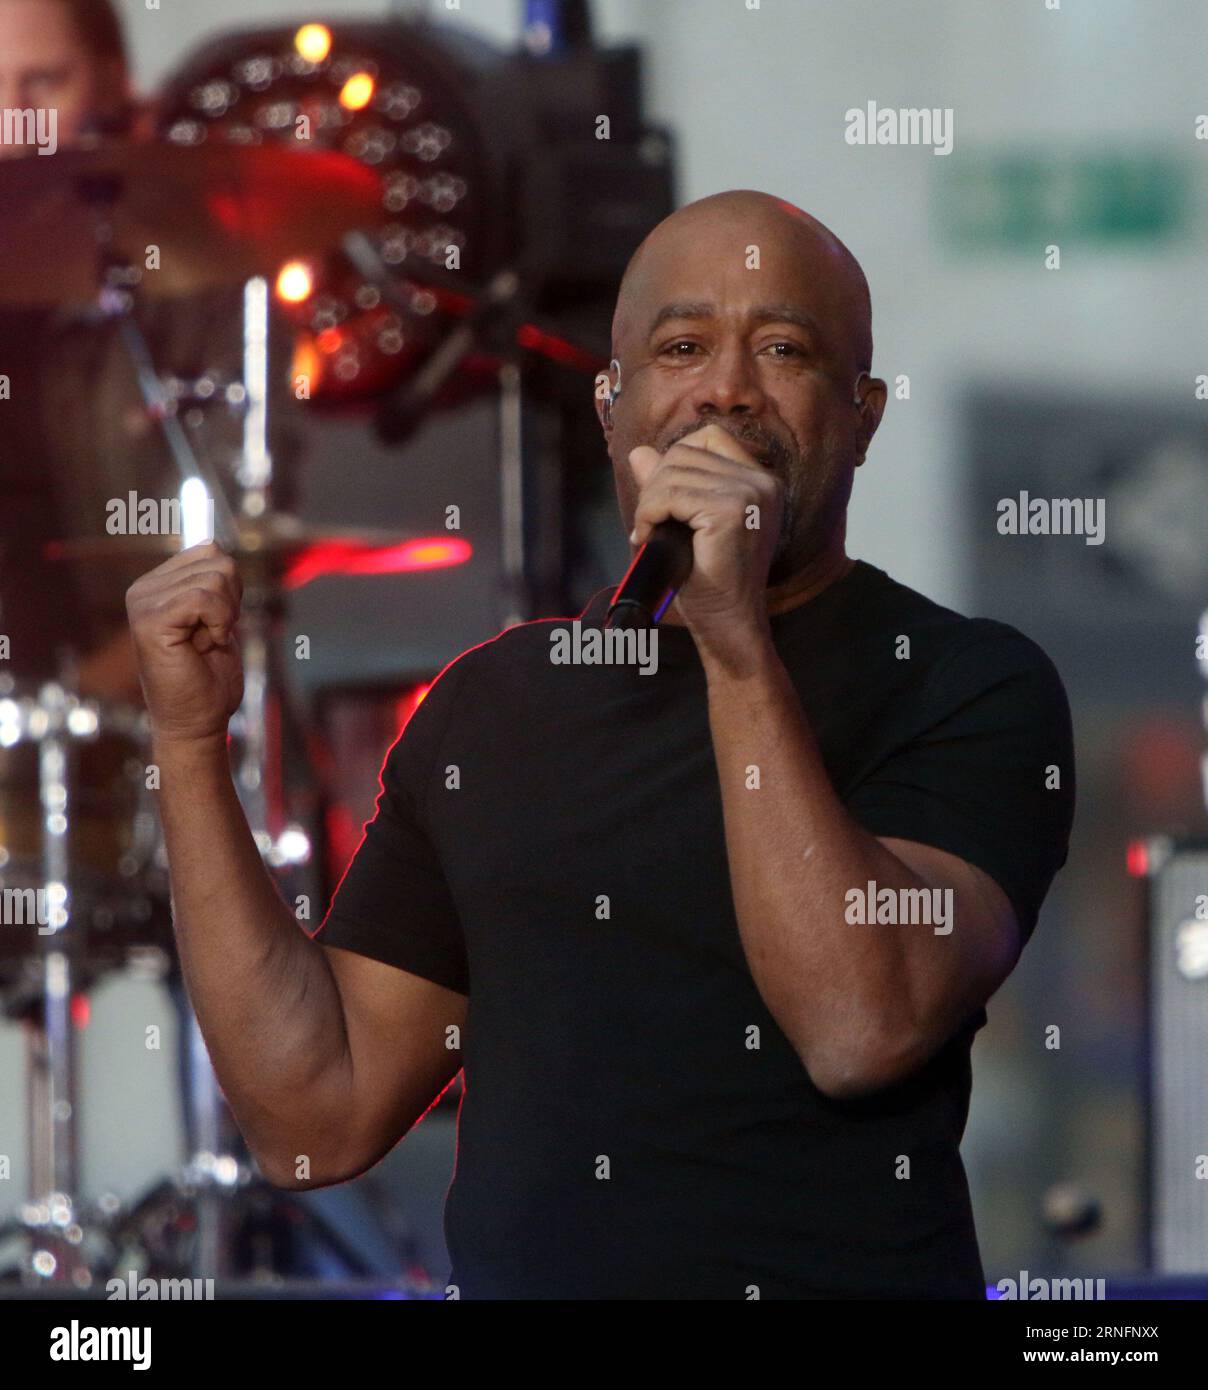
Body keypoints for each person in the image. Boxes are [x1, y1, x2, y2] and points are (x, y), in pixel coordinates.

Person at [126, 189, 1076, 1299]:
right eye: (681, 347)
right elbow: (313, 1120)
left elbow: (858, 1022)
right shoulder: (500, 704)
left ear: (861, 411)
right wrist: (189, 743)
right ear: (611, 406)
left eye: (781, 348)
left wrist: (731, 640)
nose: (725, 387)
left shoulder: (968, 682)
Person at [0, 0, 303, 700]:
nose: (13, 120)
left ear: (112, 85)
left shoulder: (202, 276)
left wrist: (75, 709)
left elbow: (240, 539)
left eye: (43, 83)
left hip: (156, 734)